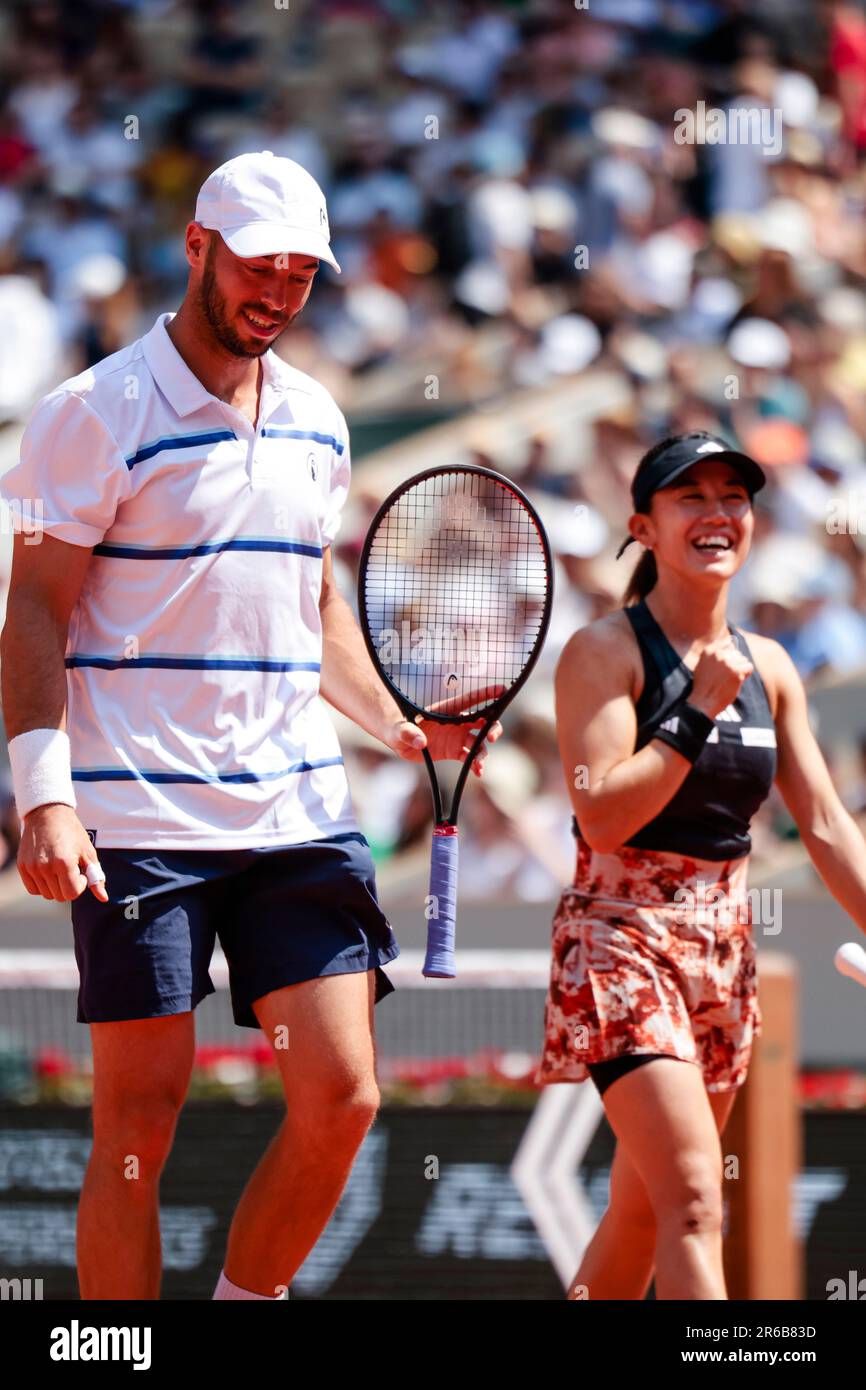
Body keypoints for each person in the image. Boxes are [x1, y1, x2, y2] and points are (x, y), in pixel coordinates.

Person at [0, 151, 501, 1301]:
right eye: (257, 264)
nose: (277, 290)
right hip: (136, 819)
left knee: (345, 1097)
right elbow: (31, 610)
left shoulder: (320, 420)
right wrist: (46, 795)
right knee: (139, 1117)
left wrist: (398, 728)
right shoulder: (88, 413)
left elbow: (308, 601)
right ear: (196, 249)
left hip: (295, 809)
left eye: (299, 272)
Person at [537, 429, 866, 1300]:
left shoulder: (773, 666)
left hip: (724, 953)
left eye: (734, 497)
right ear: (643, 527)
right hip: (619, 945)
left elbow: (828, 825)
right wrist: (694, 714)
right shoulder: (602, 652)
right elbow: (603, 816)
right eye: (693, 498)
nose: (719, 515)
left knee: (646, 1211)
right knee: (691, 1202)